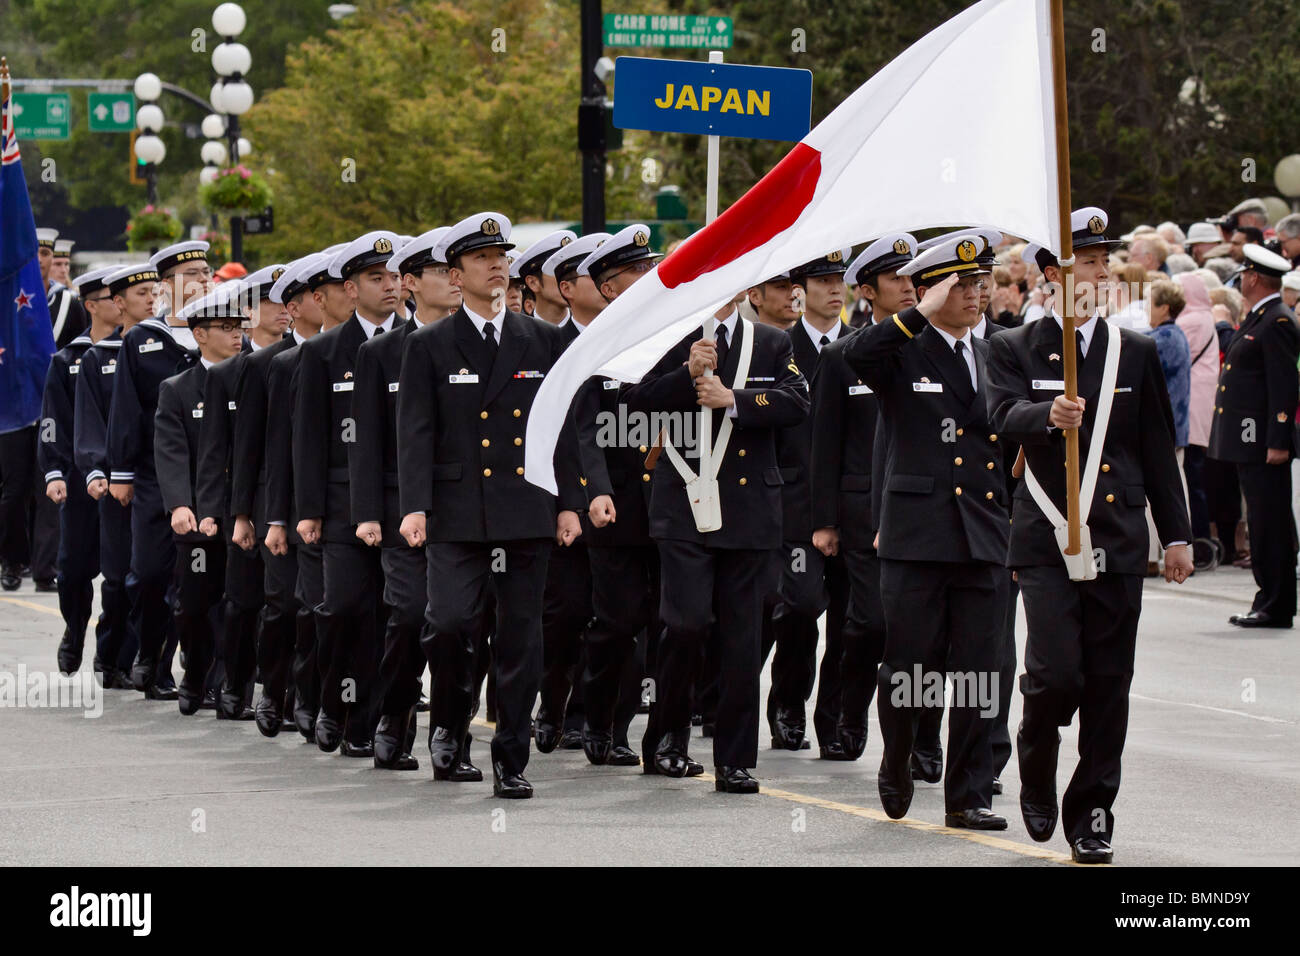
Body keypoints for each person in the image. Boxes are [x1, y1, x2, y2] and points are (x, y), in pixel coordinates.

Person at [986, 206, 1193, 864]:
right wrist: (1044, 413)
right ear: (1052, 273)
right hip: (1046, 536)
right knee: (1055, 673)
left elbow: (1158, 446)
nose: (1103, 271)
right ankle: (1038, 762)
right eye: (1088, 259)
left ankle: (1094, 810)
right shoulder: (1014, 345)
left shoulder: (1131, 350)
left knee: (1110, 680)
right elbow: (999, 413)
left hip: (1119, 534)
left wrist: (1179, 534)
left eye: (1106, 260)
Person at [623, 237, 809, 795]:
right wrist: (686, 376)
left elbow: (798, 400)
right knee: (685, 624)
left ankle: (734, 757)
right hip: (682, 502)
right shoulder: (665, 339)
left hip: (749, 507)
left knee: (740, 636)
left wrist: (737, 400)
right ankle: (667, 739)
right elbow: (631, 406)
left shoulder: (771, 341)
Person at [398, 212, 574, 798]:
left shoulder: (543, 340)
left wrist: (571, 501)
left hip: (524, 509)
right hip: (457, 513)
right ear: (455, 274)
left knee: (521, 638)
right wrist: (415, 506)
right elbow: (416, 433)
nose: (496, 264)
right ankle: (448, 728)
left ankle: (512, 756)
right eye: (481, 258)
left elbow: (563, 430)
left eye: (501, 255)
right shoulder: (429, 345)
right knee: (449, 626)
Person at [843, 235, 1008, 829]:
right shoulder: (903, 349)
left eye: (982, 281)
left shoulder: (995, 354)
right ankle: (897, 755)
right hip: (917, 532)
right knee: (909, 664)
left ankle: (968, 795)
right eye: (963, 283)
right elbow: (852, 359)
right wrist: (917, 312)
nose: (977, 293)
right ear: (934, 288)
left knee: (976, 670)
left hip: (984, 532)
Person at [355, 227, 465, 773]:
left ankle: (451, 727)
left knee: (462, 624)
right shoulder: (381, 353)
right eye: (441, 271)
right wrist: (370, 512)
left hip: (468, 508)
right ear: (411, 283)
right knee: (408, 614)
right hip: (404, 511)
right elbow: (368, 442)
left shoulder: (483, 342)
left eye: (455, 269)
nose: (452, 280)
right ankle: (395, 715)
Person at [295, 231, 402, 756]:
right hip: (339, 506)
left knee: (389, 615)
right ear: (351, 289)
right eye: (374, 279)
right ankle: (333, 700)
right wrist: (308, 510)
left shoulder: (418, 344)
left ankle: (367, 721)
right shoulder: (321, 354)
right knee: (341, 608)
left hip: (400, 502)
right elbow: (309, 440)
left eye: (392, 277)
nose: (388, 287)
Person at [807, 234, 913, 761]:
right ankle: (847, 716)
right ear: (868, 291)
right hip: (859, 513)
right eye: (896, 278)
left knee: (915, 633)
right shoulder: (843, 356)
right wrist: (824, 519)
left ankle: (916, 739)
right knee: (865, 623)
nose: (909, 286)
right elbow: (823, 443)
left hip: (917, 513)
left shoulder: (929, 350)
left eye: (913, 276)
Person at [765, 247, 852, 753]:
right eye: (821, 279)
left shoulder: (862, 346)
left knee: (851, 621)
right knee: (797, 608)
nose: (833, 288)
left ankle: (835, 717)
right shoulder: (780, 346)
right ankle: (787, 701)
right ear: (800, 289)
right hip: (795, 505)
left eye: (839, 278)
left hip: (850, 505)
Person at [105, 259, 203, 700]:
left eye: (207, 271)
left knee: (199, 582)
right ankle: (149, 653)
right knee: (148, 574)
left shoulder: (218, 331)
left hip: (207, 475)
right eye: (192, 273)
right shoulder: (143, 338)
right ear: (167, 285)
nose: (203, 279)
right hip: (150, 474)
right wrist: (120, 472)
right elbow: (125, 409)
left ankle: (192, 672)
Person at [154, 289, 245, 714]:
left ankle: (229, 686)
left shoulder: (255, 378)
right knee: (194, 603)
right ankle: (194, 673)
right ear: (199, 334)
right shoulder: (178, 389)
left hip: (241, 512)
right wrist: (179, 504)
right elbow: (172, 453)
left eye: (239, 327)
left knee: (240, 605)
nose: (237, 336)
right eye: (226, 329)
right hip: (196, 521)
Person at [1209, 243, 1300, 628]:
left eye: (1245, 273)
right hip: (1251, 441)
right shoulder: (1261, 316)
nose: (1242, 278)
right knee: (1264, 520)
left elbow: (1284, 386)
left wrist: (1278, 439)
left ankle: (1275, 603)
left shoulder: (1277, 321)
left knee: (1270, 522)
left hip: (1263, 441)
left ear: (1255, 278)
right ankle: (1268, 597)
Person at [38, 266, 119, 674]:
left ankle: (111, 650)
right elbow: (52, 420)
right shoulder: (68, 358)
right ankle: (74, 628)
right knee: (72, 568)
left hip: (121, 478)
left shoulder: (132, 352)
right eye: (111, 297)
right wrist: (53, 471)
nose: (120, 302)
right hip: (76, 478)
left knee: (122, 574)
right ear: (91, 306)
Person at [1174, 272, 1221, 543]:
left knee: (1191, 475)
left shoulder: (1191, 320)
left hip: (1190, 404)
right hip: (1200, 402)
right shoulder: (1203, 316)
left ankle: (1198, 535)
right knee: (1194, 473)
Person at [513, 229, 577, 326]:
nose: (569, 279)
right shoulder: (515, 335)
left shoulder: (588, 330)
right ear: (532, 283)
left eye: (572, 270)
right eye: (557, 270)